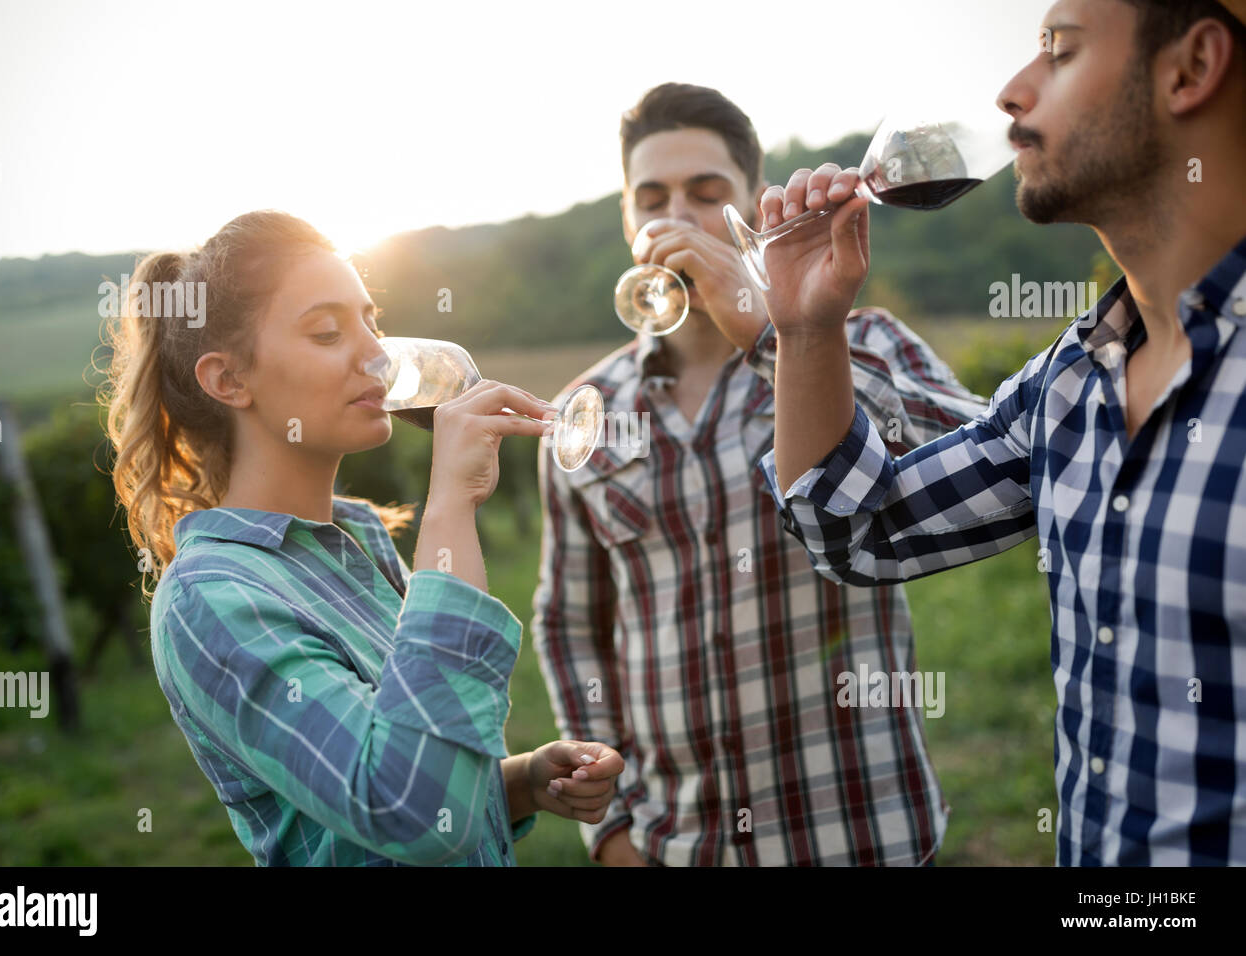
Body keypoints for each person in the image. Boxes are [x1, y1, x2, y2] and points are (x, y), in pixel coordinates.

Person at [751, 0, 1246, 865]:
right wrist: (807, 329)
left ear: (1190, 68)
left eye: (1059, 53)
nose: (1014, 92)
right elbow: (857, 532)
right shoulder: (1070, 383)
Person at [531, 83, 988, 866]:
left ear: (749, 207)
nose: (676, 216)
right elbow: (570, 624)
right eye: (653, 197)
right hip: (676, 846)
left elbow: (990, 462)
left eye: (707, 194)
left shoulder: (857, 342)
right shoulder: (583, 410)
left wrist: (774, 330)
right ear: (627, 219)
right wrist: (609, 833)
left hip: (860, 834)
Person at [102, 209, 623, 866]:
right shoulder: (210, 598)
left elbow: (417, 759)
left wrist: (518, 782)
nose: (377, 355)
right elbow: (410, 812)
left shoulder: (356, 542)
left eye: (371, 322)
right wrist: (450, 508)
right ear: (228, 380)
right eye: (326, 332)